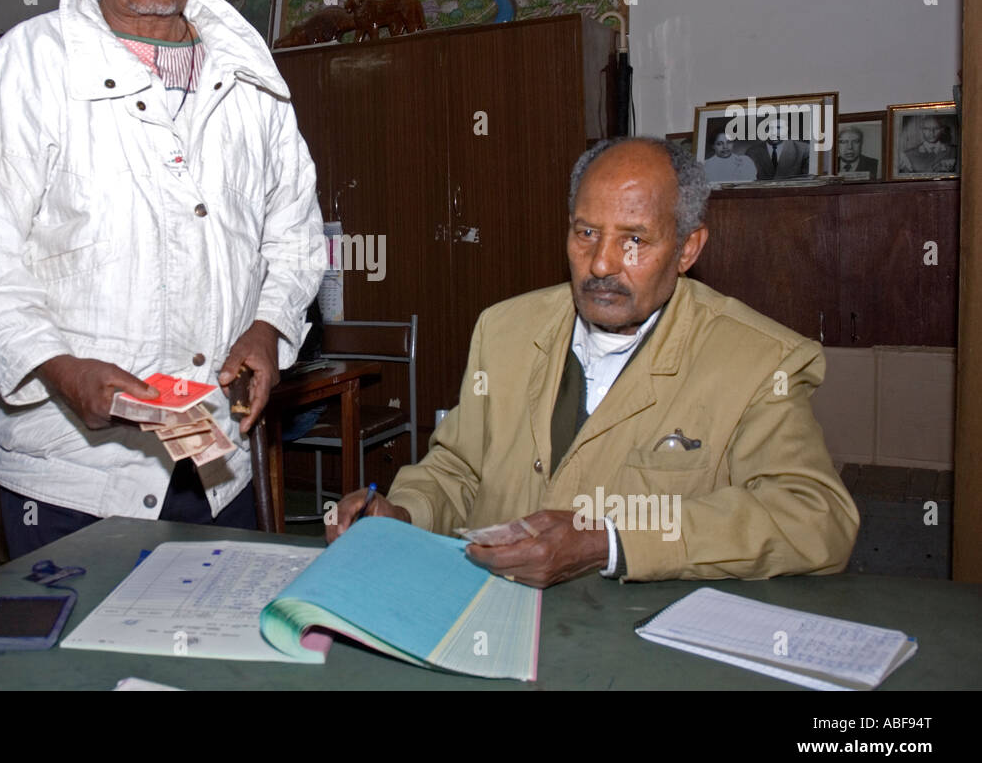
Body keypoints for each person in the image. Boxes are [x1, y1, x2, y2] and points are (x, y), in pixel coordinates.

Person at [0, 0, 324, 559]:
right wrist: (61, 370)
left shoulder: (249, 77)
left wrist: (271, 325)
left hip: (215, 457)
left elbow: (296, 235)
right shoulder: (27, 71)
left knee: (217, 659)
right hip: (73, 472)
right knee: (76, 666)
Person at [328, 137, 858, 587]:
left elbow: (816, 519)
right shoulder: (504, 330)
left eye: (634, 239)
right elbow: (458, 470)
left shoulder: (760, 361)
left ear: (688, 248)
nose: (602, 263)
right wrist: (403, 515)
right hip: (488, 611)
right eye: (586, 233)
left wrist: (610, 542)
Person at [745, 121, 809, 180]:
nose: (773, 133)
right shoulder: (752, 153)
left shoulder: (804, 150)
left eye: (779, 128)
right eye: (768, 128)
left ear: (787, 129)